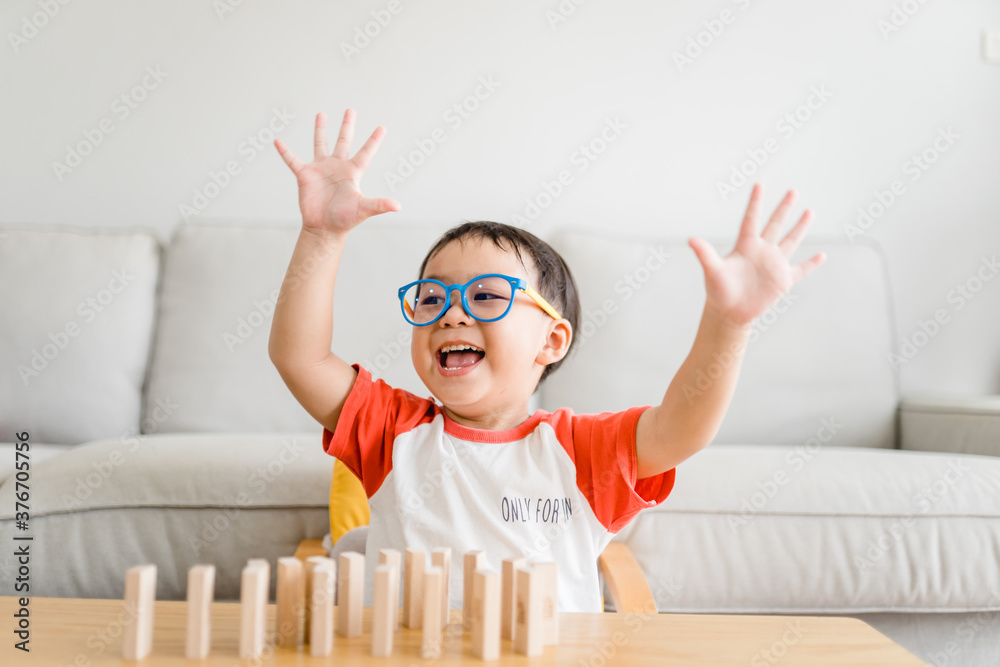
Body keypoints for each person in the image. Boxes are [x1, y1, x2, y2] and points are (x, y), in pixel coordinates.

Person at [268, 109, 826, 612]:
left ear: (552, 342)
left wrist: (728, 323)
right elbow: (300, 357)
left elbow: (683, 427)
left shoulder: (579, 452)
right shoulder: (393, 431)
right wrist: (321, 236)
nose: (452, 314)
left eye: (486, 295)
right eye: (432, 297)